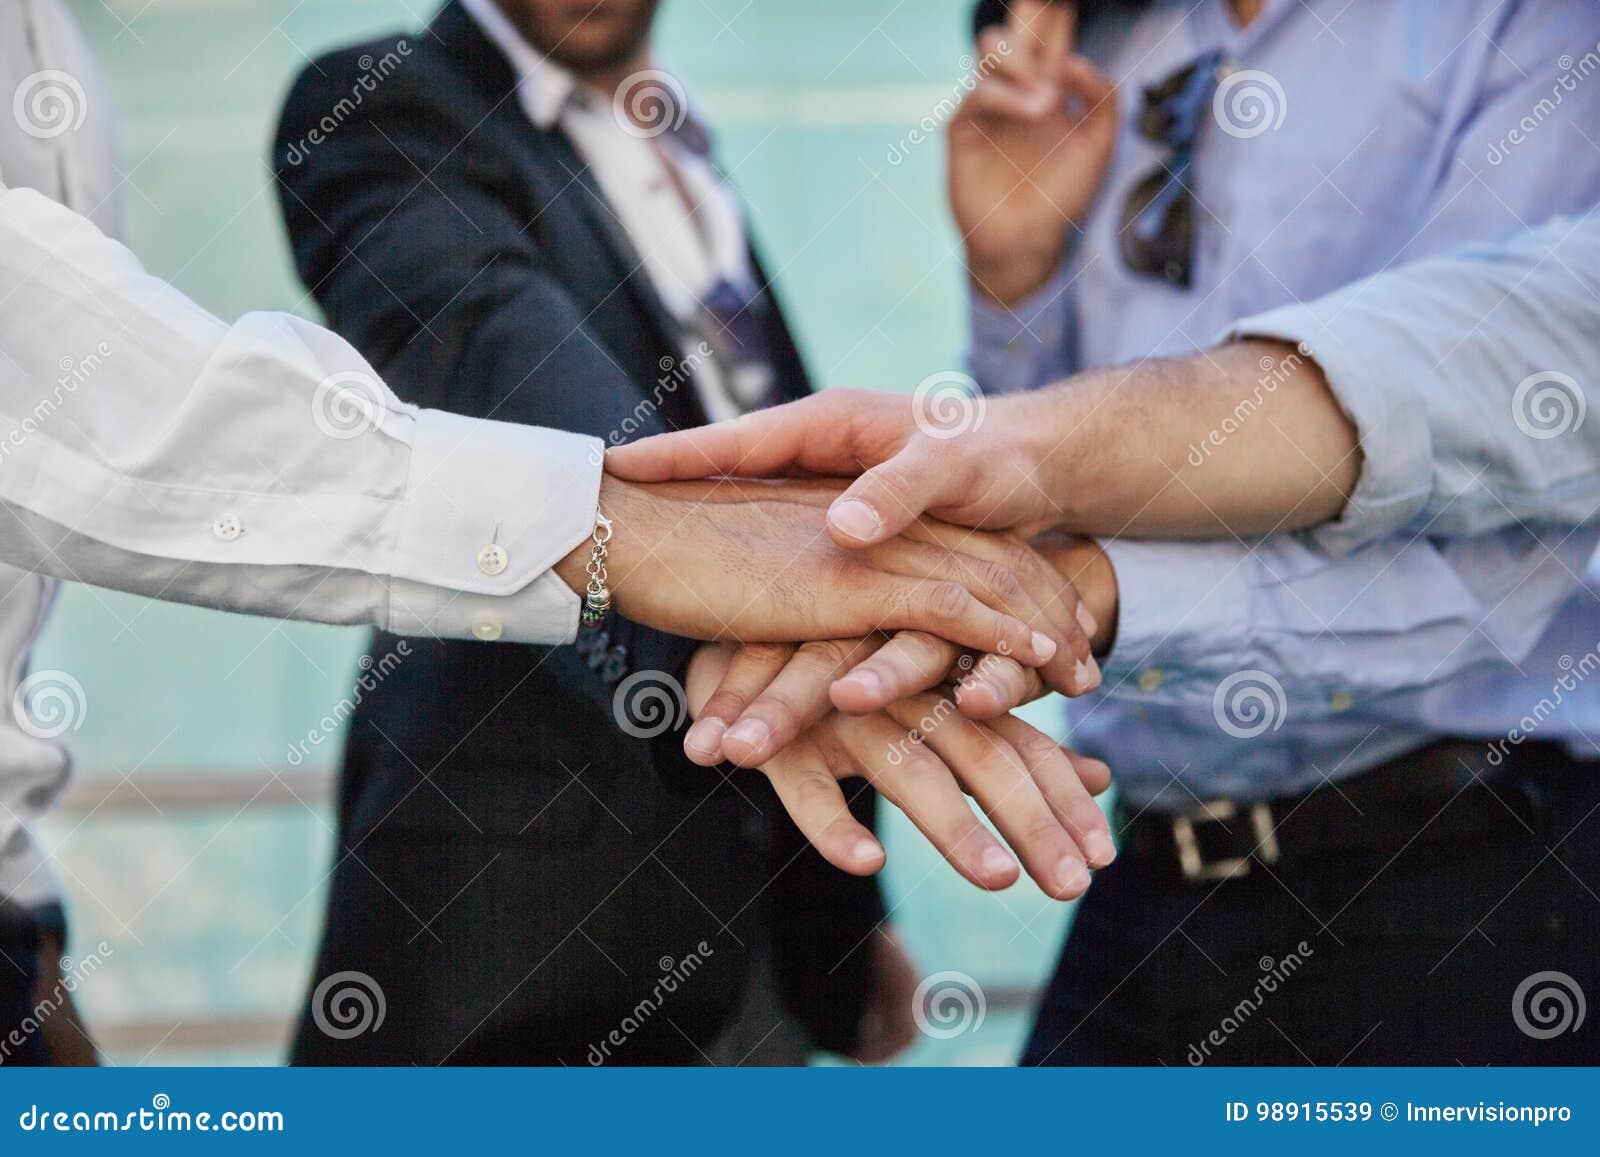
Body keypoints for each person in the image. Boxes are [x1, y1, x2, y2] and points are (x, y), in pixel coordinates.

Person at [0, 1, 1084, 1064]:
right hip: (513, 952)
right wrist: (681, 576)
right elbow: (499, 351)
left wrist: (840, 929)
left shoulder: (681, 152)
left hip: (757, 950)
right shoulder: (386, 104)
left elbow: (760, 463)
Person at [612, 0, 1600, 1064]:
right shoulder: (1105, 47)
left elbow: (1507, 560)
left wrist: (1082, 597)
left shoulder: (1529, 33)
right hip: (1159, 870)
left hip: (1467, 872)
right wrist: (1016, 280)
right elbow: (1038, 493)